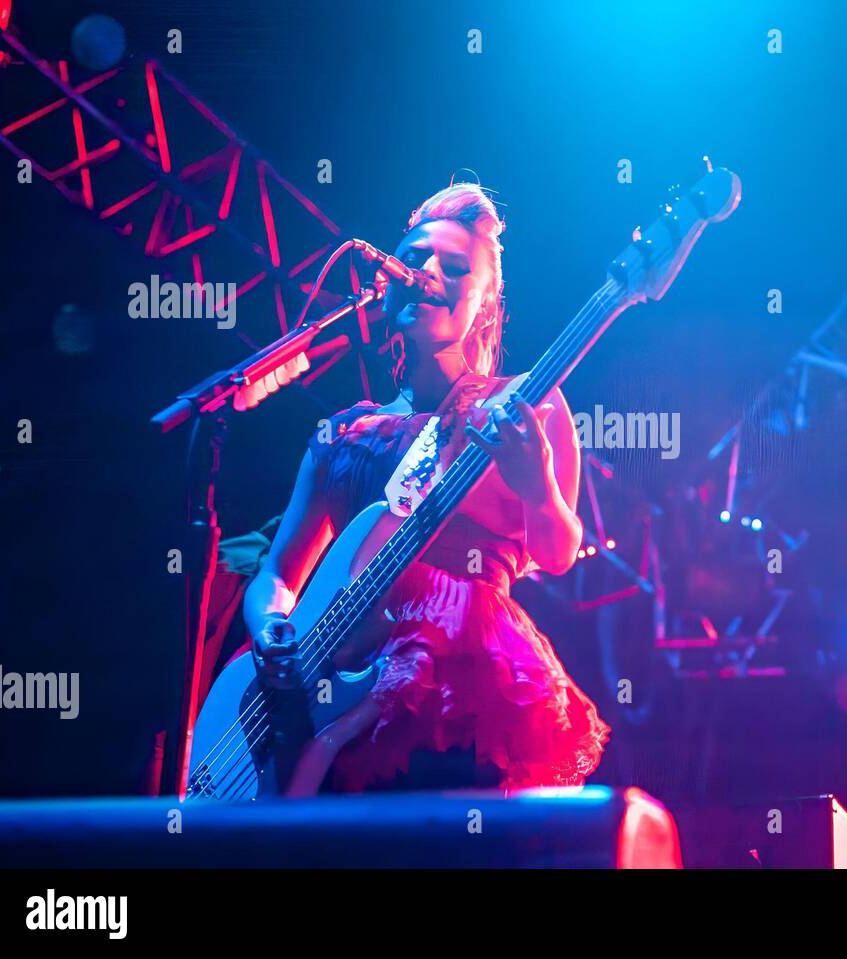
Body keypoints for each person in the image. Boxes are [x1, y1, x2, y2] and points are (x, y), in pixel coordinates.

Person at [241, 181, 609, 793]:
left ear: (484, 304)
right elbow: (279, 573)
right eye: (413, 258)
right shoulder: (343, 432)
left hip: (460, 670)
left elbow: (558, 551)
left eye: (455, 266)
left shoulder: (523, 405)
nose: (428, 271)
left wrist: (538, 490)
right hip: (332, 674)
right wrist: (270, 628)